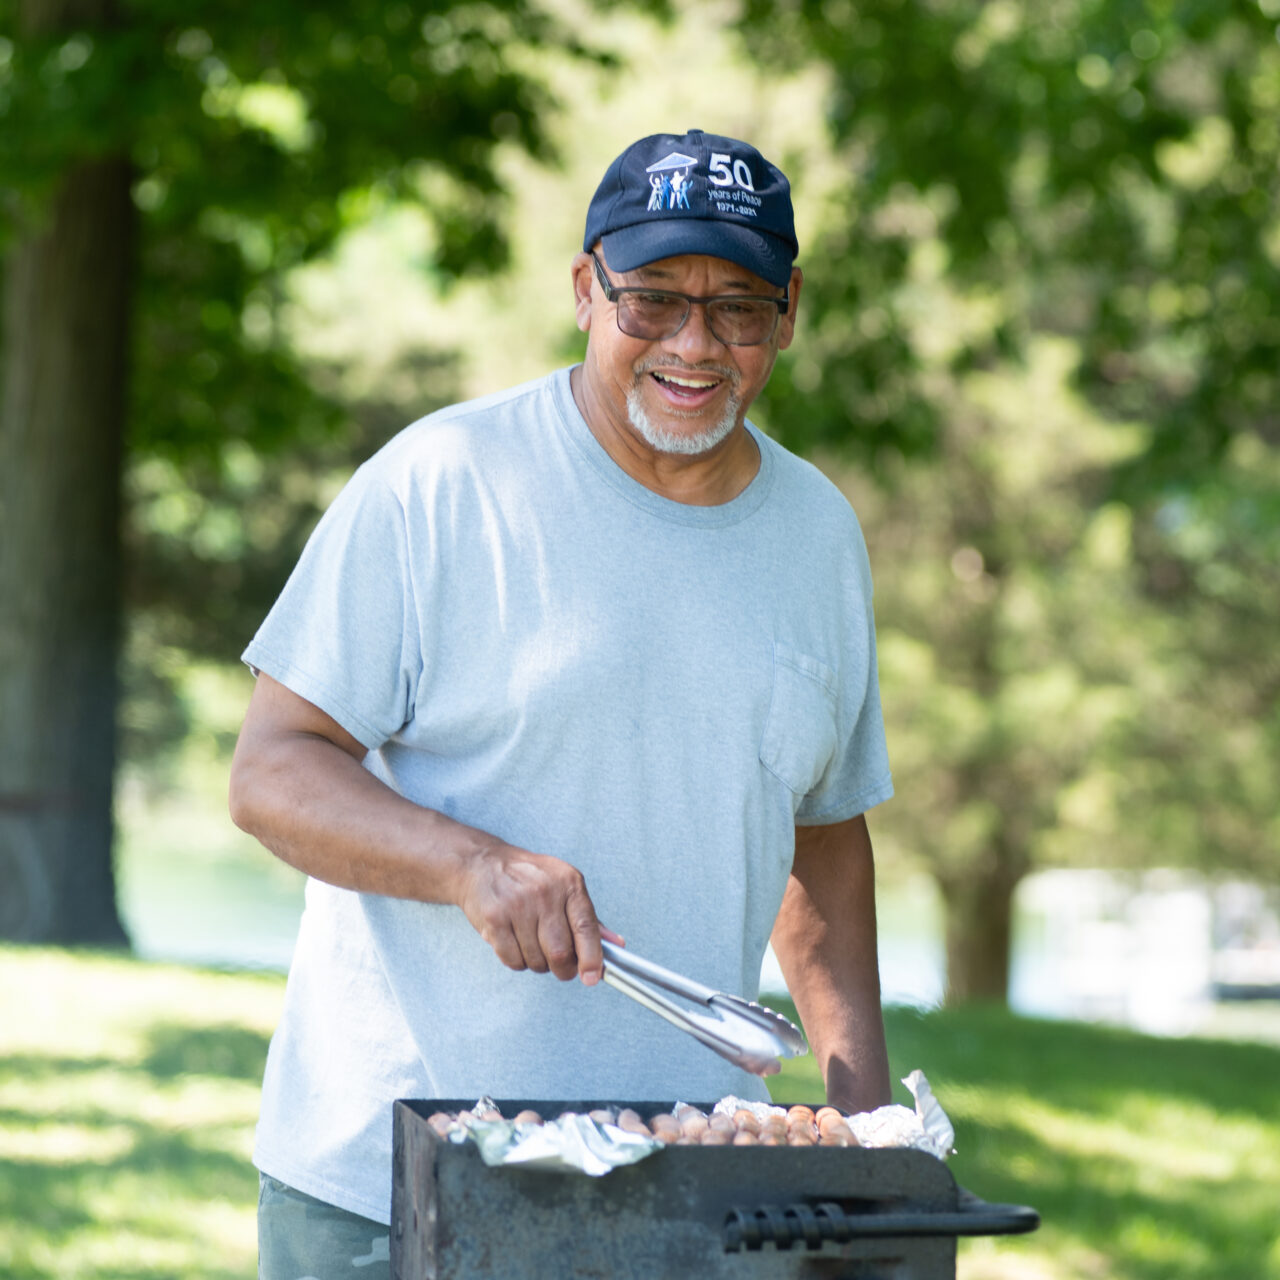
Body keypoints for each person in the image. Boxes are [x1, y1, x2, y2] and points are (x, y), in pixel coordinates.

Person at [229, 127, 895, 1279]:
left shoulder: (816, 534)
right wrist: (467, 864)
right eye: (652, 300)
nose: (693, 343)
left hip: (684, 1190)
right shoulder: (441, 482)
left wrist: (865, 1144)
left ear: (787, 312)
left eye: (736, 306)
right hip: (393, 1186)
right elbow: (273, 768)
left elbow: (823, 840)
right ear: (586, 289)